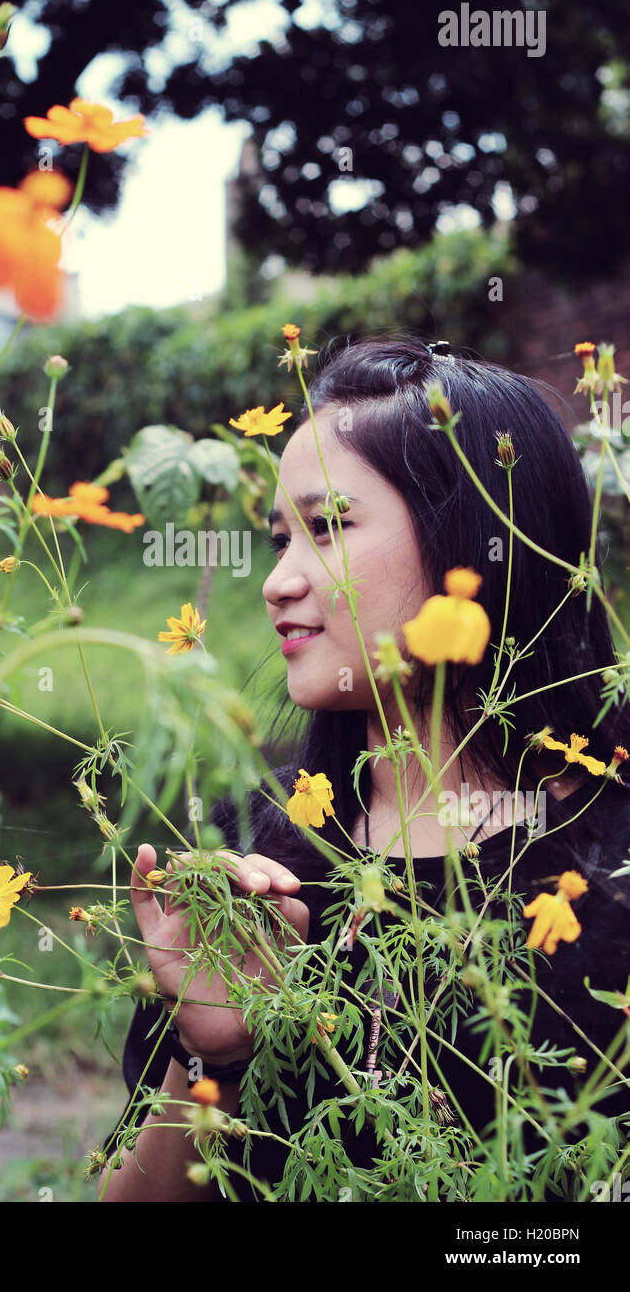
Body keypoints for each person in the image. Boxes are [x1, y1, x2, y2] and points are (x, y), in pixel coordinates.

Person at [98, 335, 630, 1203]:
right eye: (279, 539)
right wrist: (216, 1056)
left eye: (327, 527)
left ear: (477, 539)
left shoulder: (614, 857)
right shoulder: (257, 859)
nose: (276, 581)